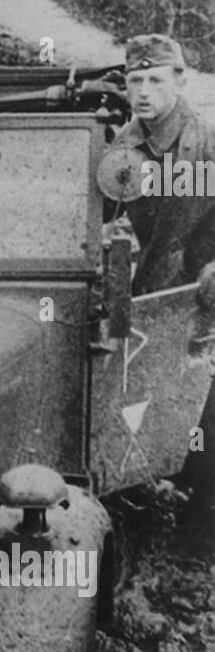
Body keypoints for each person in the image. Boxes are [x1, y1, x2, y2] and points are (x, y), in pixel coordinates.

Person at [110, 34, 215, 523]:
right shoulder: (124, 143)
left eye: (155, 79)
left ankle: (199, 529)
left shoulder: (208, 141)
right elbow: (102, 209)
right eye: (135, 80)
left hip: (202, 284)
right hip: (152, 283)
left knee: (202, 404)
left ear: (180, 80)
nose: (144, 91)